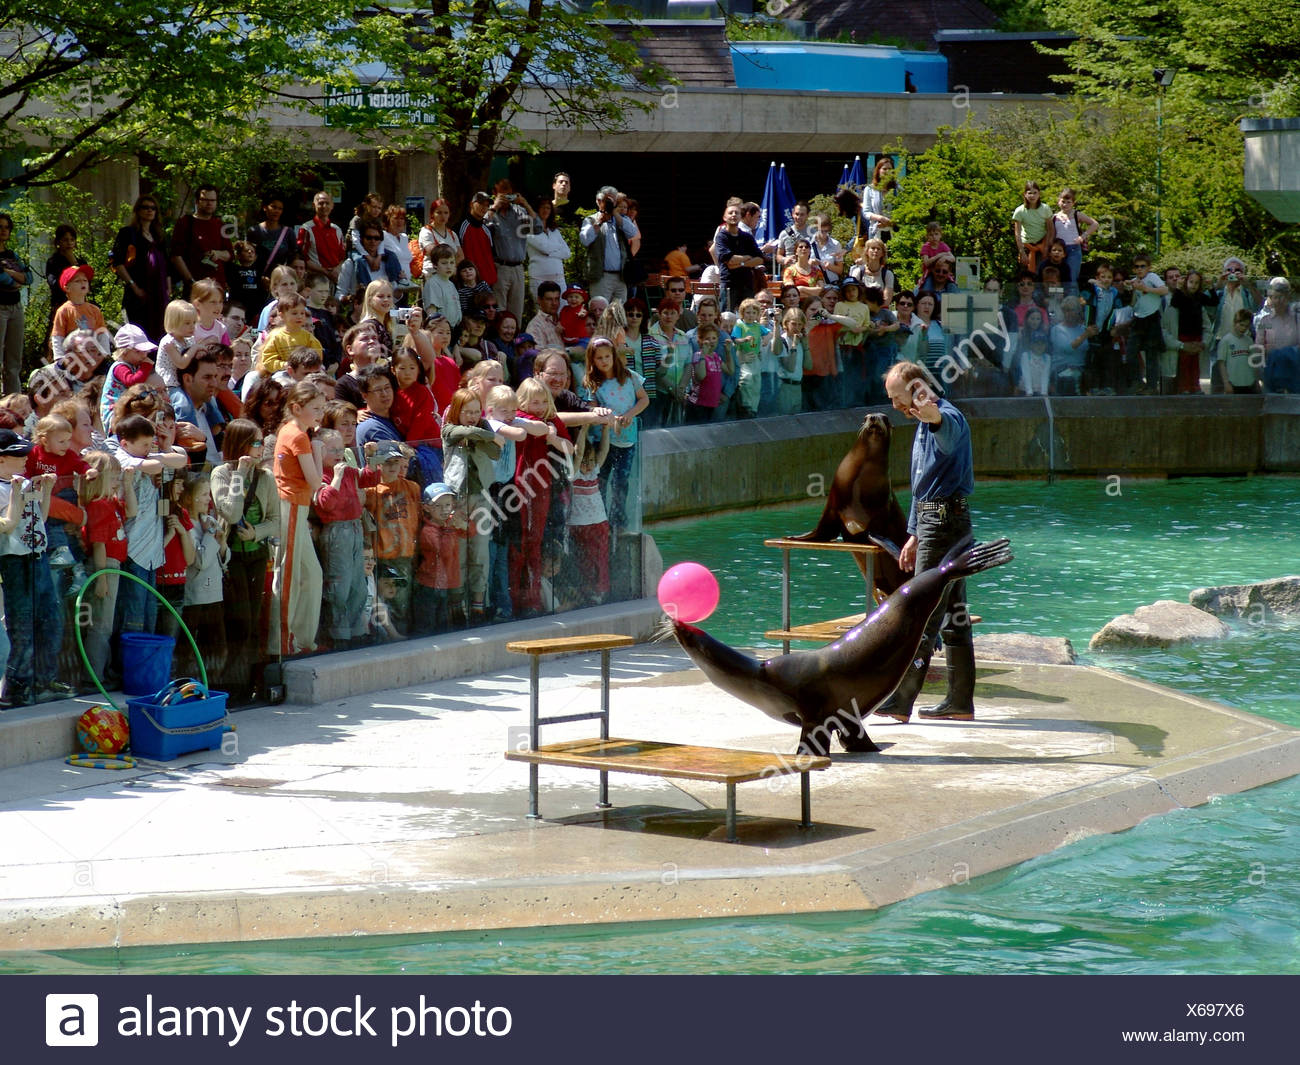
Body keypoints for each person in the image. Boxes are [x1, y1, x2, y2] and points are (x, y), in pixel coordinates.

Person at [872, 361, 977, 723]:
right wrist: (915, 533)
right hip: (944, 523)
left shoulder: (946, 416)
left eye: (896, 397)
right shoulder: (921, 421)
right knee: (954, 615)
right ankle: (960, 702)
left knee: (920, 612)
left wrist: (934, 417)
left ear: (916, 387)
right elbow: (923, 485)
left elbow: (947, 433)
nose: (894, 405)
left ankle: (900, 701)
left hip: (944, 524)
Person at [212, 418, 278, 703]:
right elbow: (230, 512)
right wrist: (239, 473)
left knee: (253, 623)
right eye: (255, 442)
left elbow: (277, 521)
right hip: (230, 559)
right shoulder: (221, 474)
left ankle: (249, 684)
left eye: (261, 442)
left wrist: (257, 533)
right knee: (238, 623)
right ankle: (229, 686)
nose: (261, 447)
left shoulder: (266, 478)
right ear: (239, 445)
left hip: (256, 554)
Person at [270, 381, 326, 656]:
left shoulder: (292, 430)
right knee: (288, 574)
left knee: (312, 575)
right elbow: (316, 481)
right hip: (290, 504)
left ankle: (304, 639)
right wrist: (318, 450)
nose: (321, 413)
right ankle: (282, 640)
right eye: (315, 408)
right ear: (296, 408)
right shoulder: (298, 435)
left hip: (297, 505)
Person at [170, 185, 232, 296]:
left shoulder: (219, 224)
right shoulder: (185, 223)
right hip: (194, 288)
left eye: (212, 200)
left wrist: (217, 253)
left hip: (218, 288)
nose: (209, 203)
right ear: (197, 201)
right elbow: (176, 256)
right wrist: (191, 282)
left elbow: (229, 254)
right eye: (205, 200)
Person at [580, 186, 638, 303]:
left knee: (619, 313)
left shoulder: (621, 219)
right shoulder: (591, 220)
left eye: (613, 201)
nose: (610, 203)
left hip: (621, 276)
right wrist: (599, 221)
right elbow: (585, 240)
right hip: (601, 277)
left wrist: (615, 214)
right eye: (606, 200)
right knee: (600, 311)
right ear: (598, 202)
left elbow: (632, 233)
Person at [0, 213, 31, 394]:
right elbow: (4, 281)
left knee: (14, 361)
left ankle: (14, 402)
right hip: (0, 308)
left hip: (16, 308)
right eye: (0, 227)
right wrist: (13, 278)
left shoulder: (13, 255)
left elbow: (28, 278)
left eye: (6, 227)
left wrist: (10, 273)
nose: (3, 231)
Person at [715, 201, 764, 311]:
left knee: (749, 317)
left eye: (736, 213)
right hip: (729, 284)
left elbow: (760, 259)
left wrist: (741, 263)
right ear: (724, 217)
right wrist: (747, 257)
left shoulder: (747, 237)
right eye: (730, 213)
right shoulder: (721, 237)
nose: (733, 215)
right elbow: (729, 260)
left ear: (740, 216)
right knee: (726, 317)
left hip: (747, 283)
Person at [298, 190, 346, 289]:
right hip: (315, 281)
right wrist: (325, 272)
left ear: (332, 206)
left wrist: (335, 271)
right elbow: (303, 258)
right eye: (320, 203)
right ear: (313, 205)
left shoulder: (337, 230)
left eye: (327, 203)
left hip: (335, 280)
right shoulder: (306, 228)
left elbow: (342, 257)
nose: (324, 206)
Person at [526, 200, 570, 300]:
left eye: (548, 208)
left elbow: (567, 253)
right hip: (539, 279)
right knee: (543, 312)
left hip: (559, 279)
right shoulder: (529, 229)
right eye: (542, 207)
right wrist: (558, 247)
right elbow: (544, 248)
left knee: (561, 311)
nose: (545, 210)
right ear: (537, 210)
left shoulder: (555, 231)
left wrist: (549, 253)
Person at [1012, 181, 1054, 273]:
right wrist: (1022, 252)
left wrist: (1047, 247)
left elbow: (1050, 229)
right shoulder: (1019, 211)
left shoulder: (1045, 208)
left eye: (1035, 193)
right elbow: (1017, 234)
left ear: (1039, 194)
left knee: (1041, 273)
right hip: (1026, 245)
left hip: (1042, 245)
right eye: (1029, 193)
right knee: (1025, 275)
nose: (1032, 196)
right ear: (1025, 194)